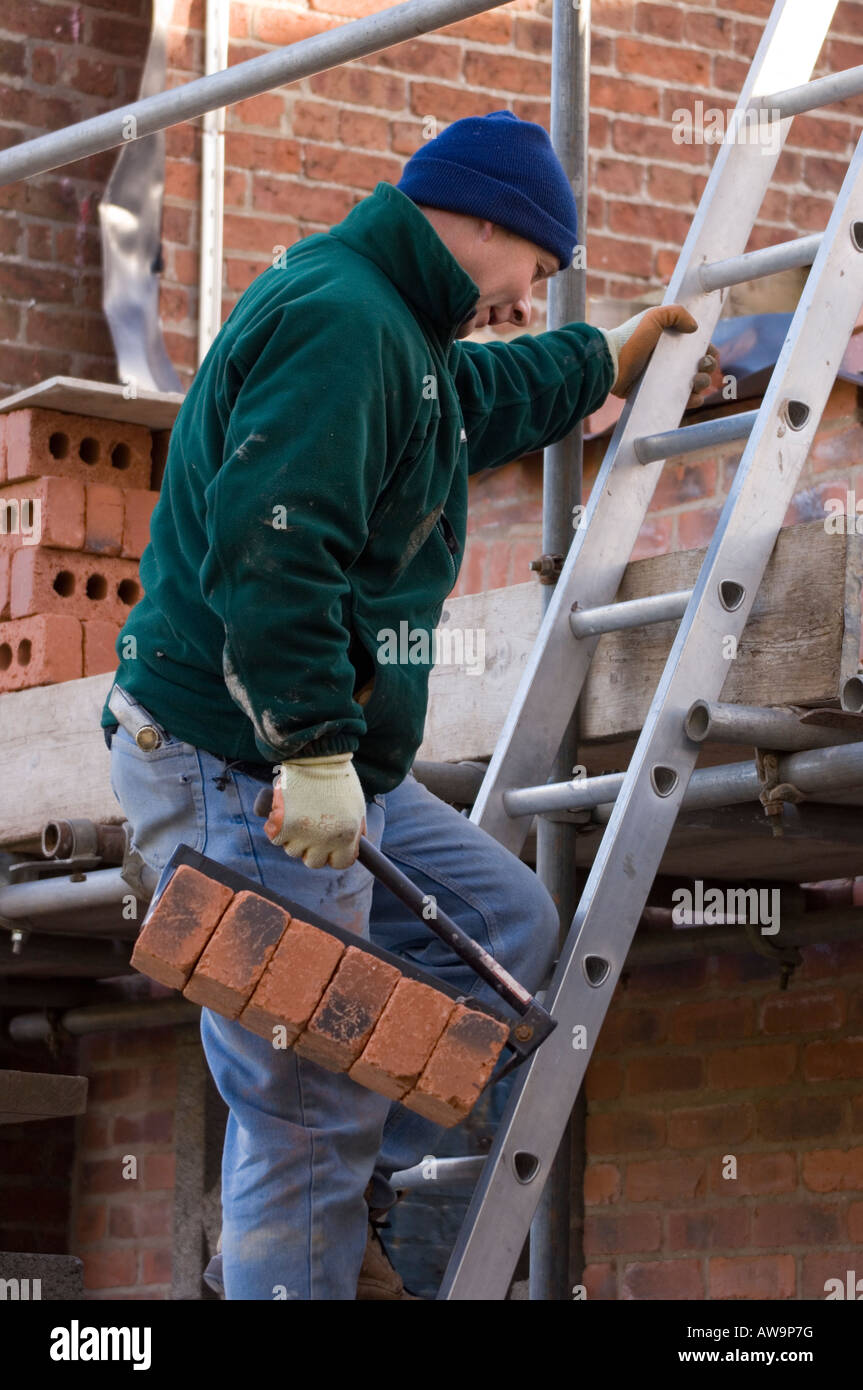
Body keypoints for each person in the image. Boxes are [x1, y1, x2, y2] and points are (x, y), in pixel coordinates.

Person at [103, 109, 717, 1300]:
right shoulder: (343, 322)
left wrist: (602, 358)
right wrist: (312, 749)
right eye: (533, 270)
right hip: (250, 771)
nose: (527, 297)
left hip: (318, 770)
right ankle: (301, 1244)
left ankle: (337, 1201)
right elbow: (271, 552)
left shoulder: (401, 333)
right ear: (483, 221)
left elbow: (474, 398)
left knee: (502, 928)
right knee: (301, 1109)